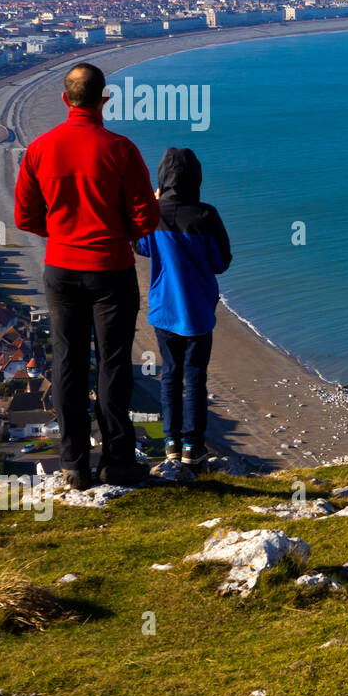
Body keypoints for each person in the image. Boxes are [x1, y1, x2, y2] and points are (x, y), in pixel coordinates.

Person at [14, 62, 160, 489]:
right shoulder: (121, 149)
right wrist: (116, 233)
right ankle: (116, 460)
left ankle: (74, 464)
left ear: (65, 99)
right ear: (104, 100)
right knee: (113, 366)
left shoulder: (41, 148)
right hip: (110, 269)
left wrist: (60, 233)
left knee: (67, 363)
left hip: (61, 269)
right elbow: (145, 218)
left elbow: (25, 216)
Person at [137, 147, 231, 468]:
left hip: (164, 310)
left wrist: (153, 201)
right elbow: (221, 263)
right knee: (195, 379)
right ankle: (193, 445)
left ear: (162, 178)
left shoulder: (156, 214)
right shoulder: (206, 215)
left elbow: (140, 245)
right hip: (199, 313)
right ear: (196, 178)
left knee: (169, 377)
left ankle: (171, 443)